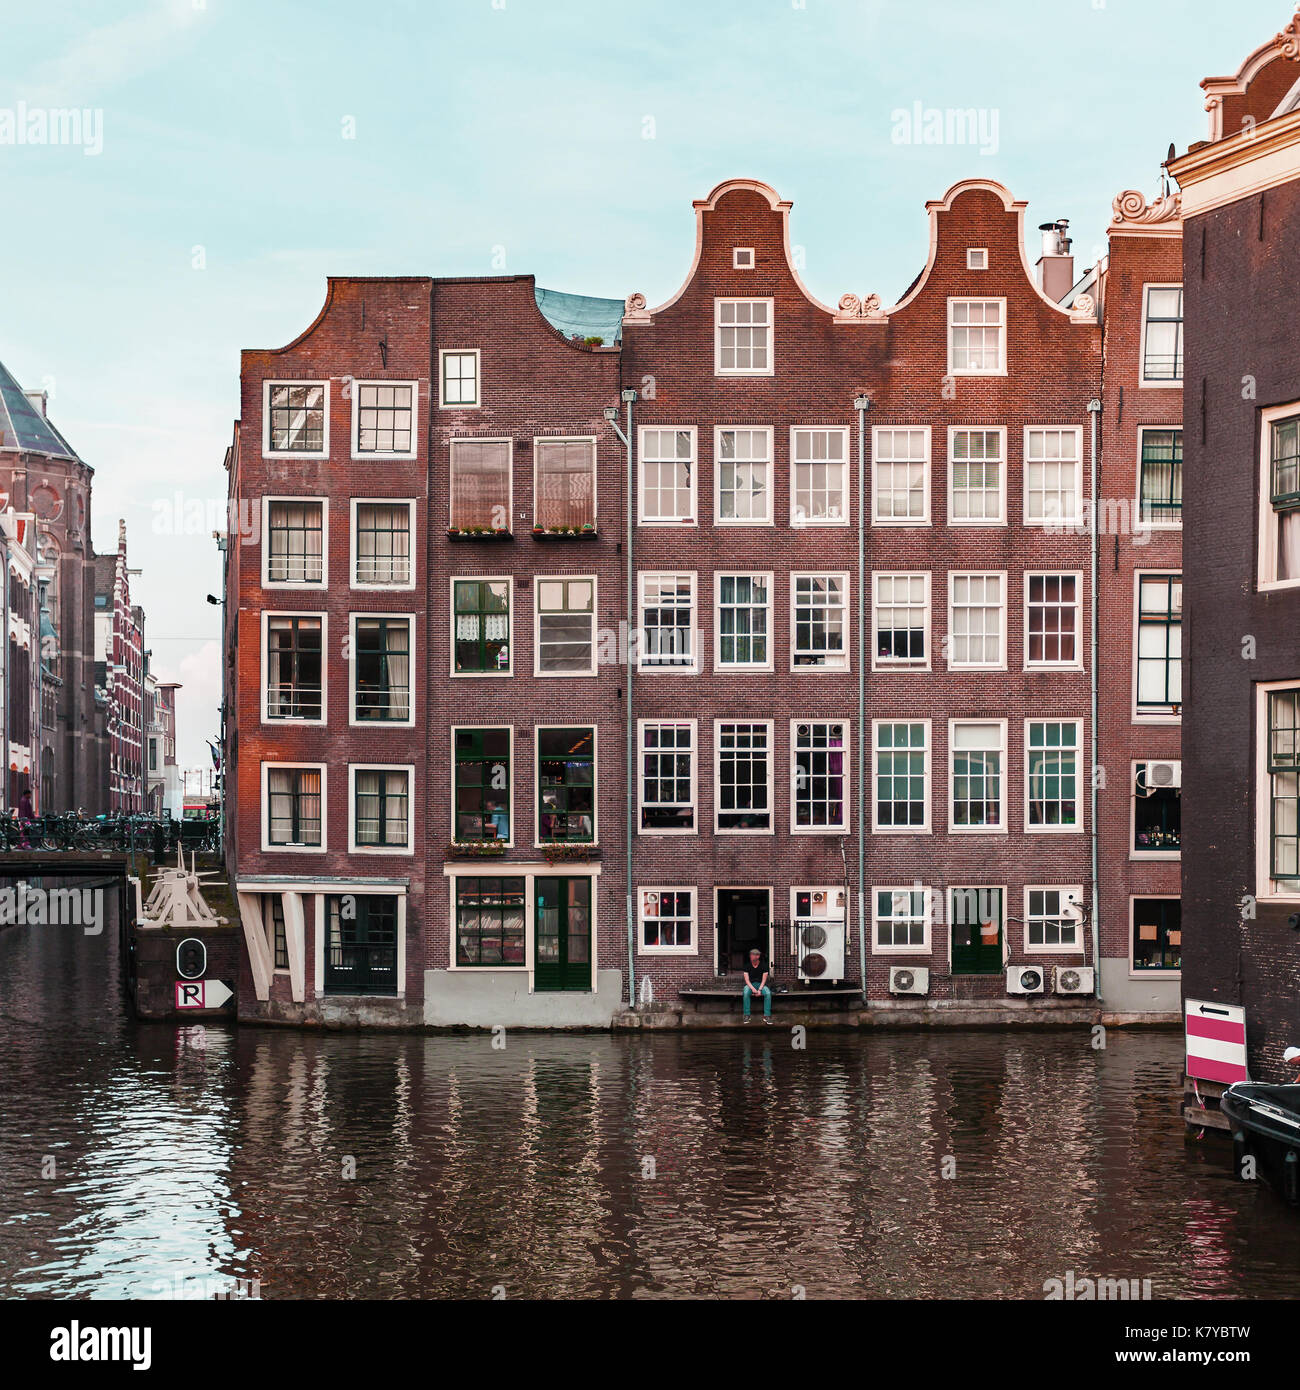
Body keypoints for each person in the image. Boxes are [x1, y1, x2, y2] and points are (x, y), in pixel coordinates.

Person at [742, 947, 771, 1024]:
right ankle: (747, 1015)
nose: (751, 956)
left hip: (760, 985)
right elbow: (747, 980)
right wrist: (753, 989)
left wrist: (760, 990)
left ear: (757, 956)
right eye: (750, 955)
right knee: (745, 993)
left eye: (752, 955)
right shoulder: (747, 966)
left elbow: (764, 980)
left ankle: (767, 1016)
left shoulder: (764, 966)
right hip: (750, 985)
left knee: (768, 993)